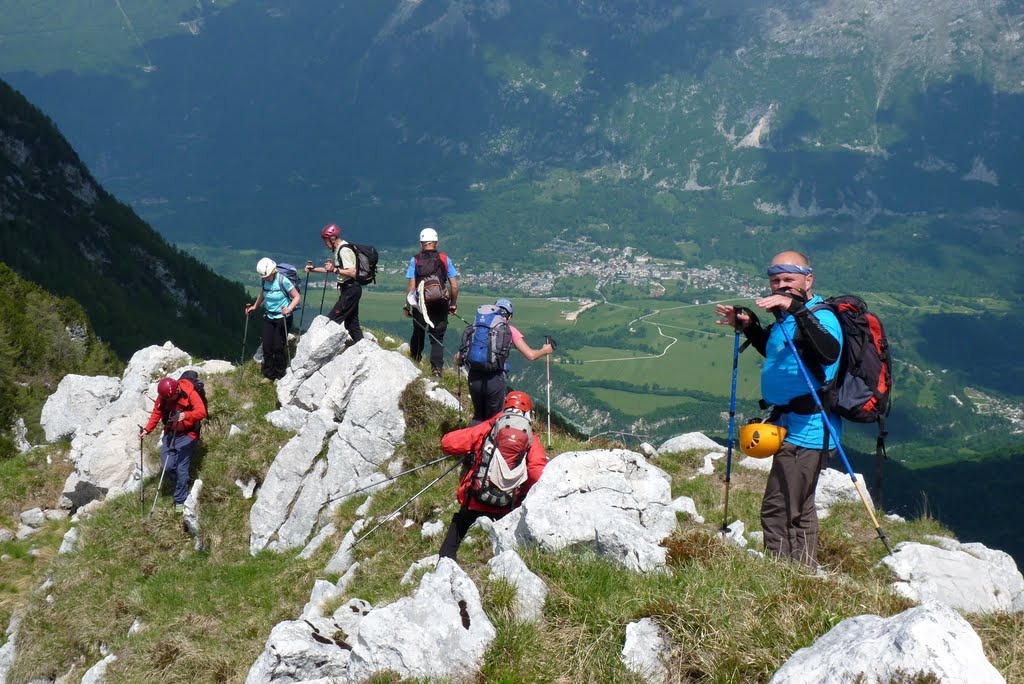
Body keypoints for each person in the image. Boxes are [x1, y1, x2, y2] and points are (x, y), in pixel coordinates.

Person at [715, 251, 842, 567]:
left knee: (779, 510)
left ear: (808, 280)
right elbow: (779, 351)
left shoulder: (820, 316)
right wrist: (750, 326)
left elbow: (829, 352)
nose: (781, 286)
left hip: (808, 429)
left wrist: (796, 308)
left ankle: (785, 579)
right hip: (791, 423)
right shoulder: (790, 319)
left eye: (789, 280)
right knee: (799, 506)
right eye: (776, 281)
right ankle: (803, 574)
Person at [438, 391, 547, 560]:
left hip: (475, 499)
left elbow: (447, 443)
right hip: (507, 505)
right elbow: (537, 473)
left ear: (505, 408)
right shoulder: (531, 438)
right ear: (529, 413)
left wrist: (489, 425)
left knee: (460, 522)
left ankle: (445, 559)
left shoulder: (489, 427)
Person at [456, 298, 554, 424]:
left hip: (474, 377)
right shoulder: (508, 330)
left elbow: (459, 357)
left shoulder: (477, 327)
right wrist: (545, 350)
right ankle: (491, 443)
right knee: (494, 419)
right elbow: (531, 355)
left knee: (478, 415)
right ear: (509, 317)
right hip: (495, 379)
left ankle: (474, 440)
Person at [140, 376, 208, 513]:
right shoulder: (163, 397)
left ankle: (180, 501)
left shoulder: (190, 393)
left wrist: (186, 415)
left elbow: (202, 412)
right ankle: (180, 482)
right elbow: (157, 412)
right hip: (171, 433)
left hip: (188, 435)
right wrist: (147, 430)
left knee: (181, 469)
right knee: (168, 466)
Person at [403, 227, 459, 378]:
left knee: (418, 331)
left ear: (421, 243)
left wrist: (408, 306)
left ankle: (414, 361)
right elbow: (454, 285)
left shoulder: (415, 260)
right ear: (436, 243)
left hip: (421, 304)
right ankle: (437, 370)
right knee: (437, 338)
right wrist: (453, 305)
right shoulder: (444, 259)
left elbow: (411, 287)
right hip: (440, 303)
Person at [305, 223, 363, 343]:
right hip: (350, 289)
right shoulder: (339, 249)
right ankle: (364, 347)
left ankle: (319, 347)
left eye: (326, 241)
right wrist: (314, 269)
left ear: (332, 239)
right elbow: (333, 269)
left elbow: (353, 272)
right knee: (352, 324)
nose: (325, 244)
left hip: (350, 289)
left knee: (332, 320)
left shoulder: (344, 250)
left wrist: (335, 269)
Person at [245, 257, 301, 382]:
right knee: (267, 345)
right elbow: (262, 293)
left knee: (278, 346)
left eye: (267, 276)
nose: (265, 279)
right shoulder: (265, 282)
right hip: (269, 316)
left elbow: (296, 297)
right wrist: (255, 306)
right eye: (263, 277)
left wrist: (289, 308)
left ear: (273, 272)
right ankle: (269, 375)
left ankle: (280, 375)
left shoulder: (283, 280)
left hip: (283, 317)